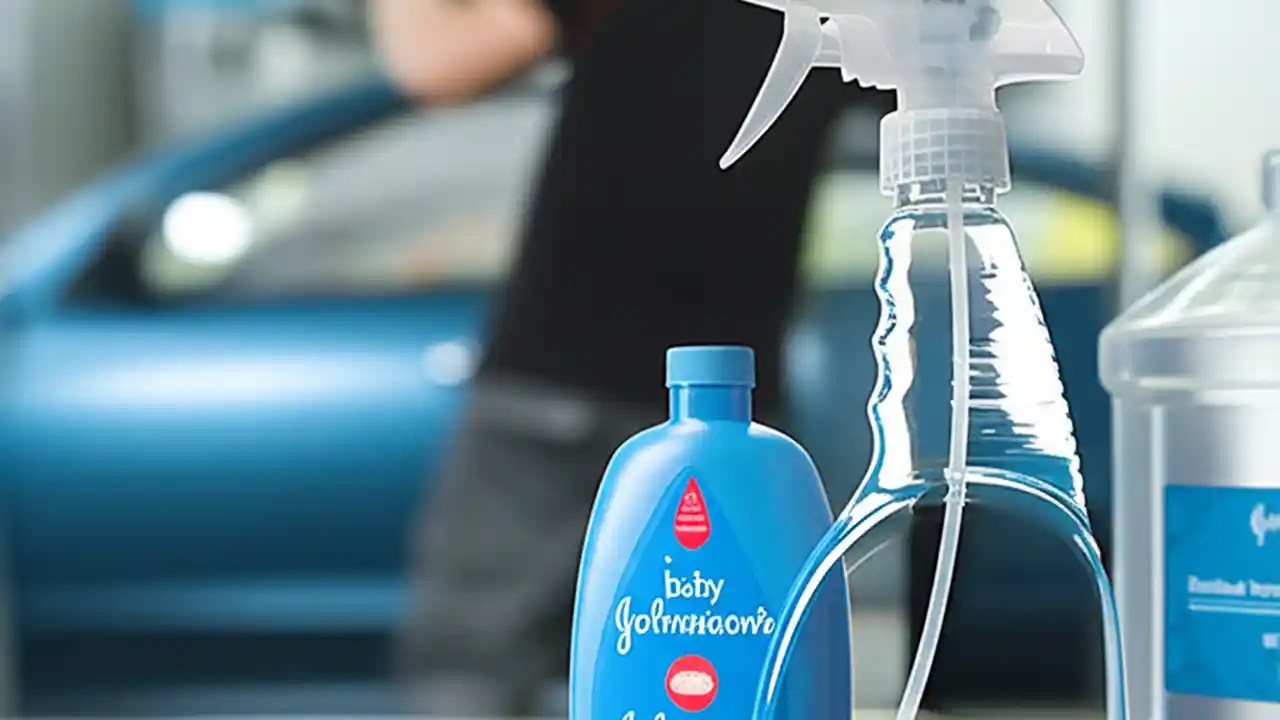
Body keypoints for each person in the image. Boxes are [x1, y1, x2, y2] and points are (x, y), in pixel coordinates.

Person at [370, 0, 882, 713]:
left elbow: (436, 65)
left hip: (564, 374)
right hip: (733, 397)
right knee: (741, 670)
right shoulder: (851, 12)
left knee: (474, 667)